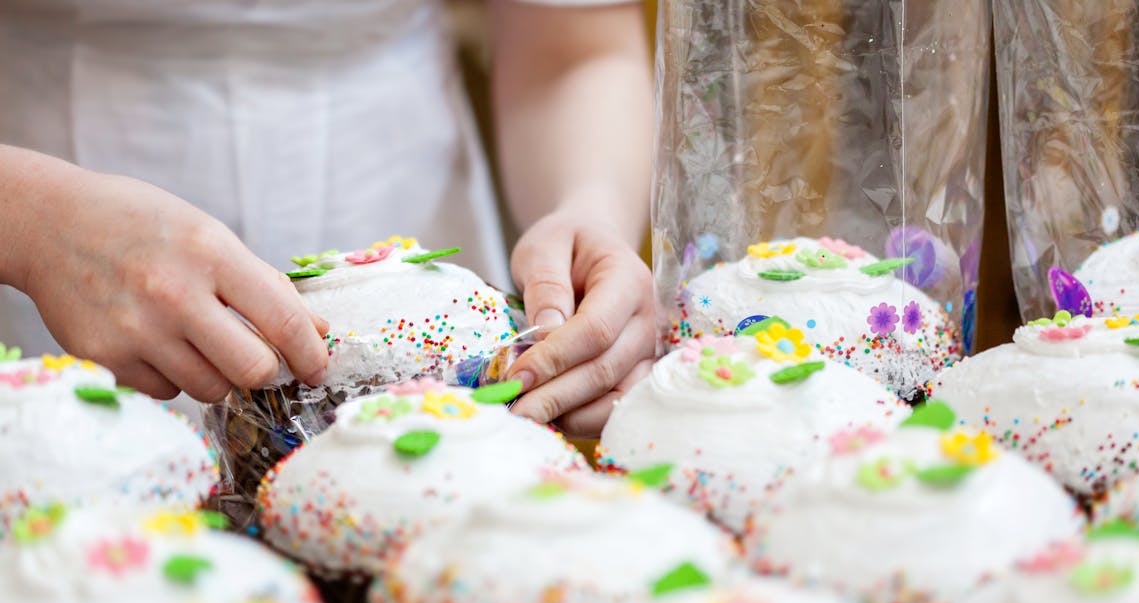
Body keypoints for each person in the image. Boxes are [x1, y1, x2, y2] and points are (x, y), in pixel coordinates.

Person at [0, 0, 655, 437]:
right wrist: (29, 217)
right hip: (47, 247)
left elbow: (572, 46)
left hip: (402, 202)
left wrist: (589, 204)